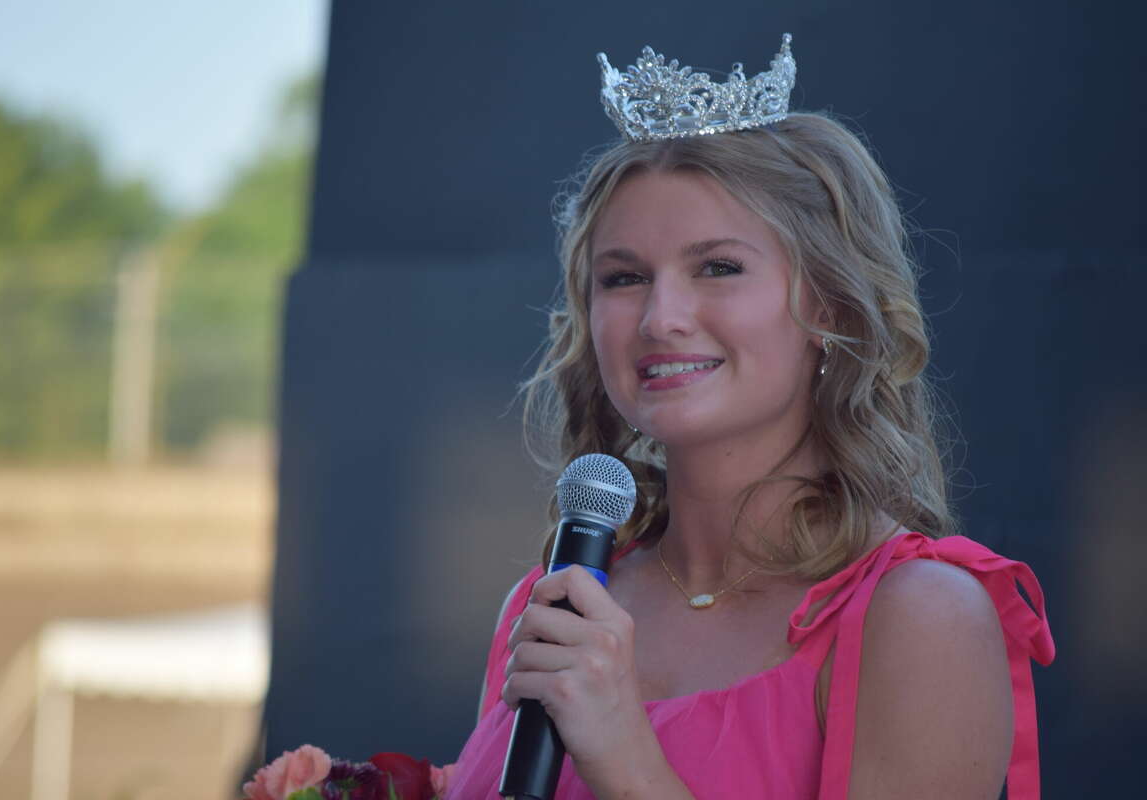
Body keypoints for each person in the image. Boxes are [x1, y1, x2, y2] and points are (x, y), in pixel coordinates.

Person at [444, 35, 1054, 800]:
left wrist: (625, 756)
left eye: (718, 267)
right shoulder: (548, 607)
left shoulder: (919, 618)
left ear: (826, 304)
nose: (661, 318)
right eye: (624, 277)